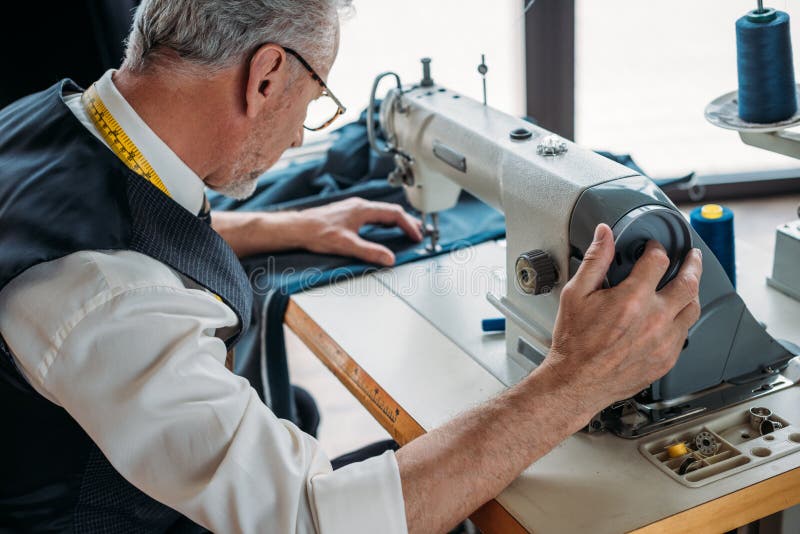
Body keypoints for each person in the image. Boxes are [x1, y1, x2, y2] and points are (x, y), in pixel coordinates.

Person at [0, 1, 703, 533]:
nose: (300, 136)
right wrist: (576, 380)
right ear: (266, 77)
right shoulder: (109, 299)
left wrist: (283, 224)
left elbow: (120, 225)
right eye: (316, 101)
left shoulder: (45, 120)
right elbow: (312, 520)